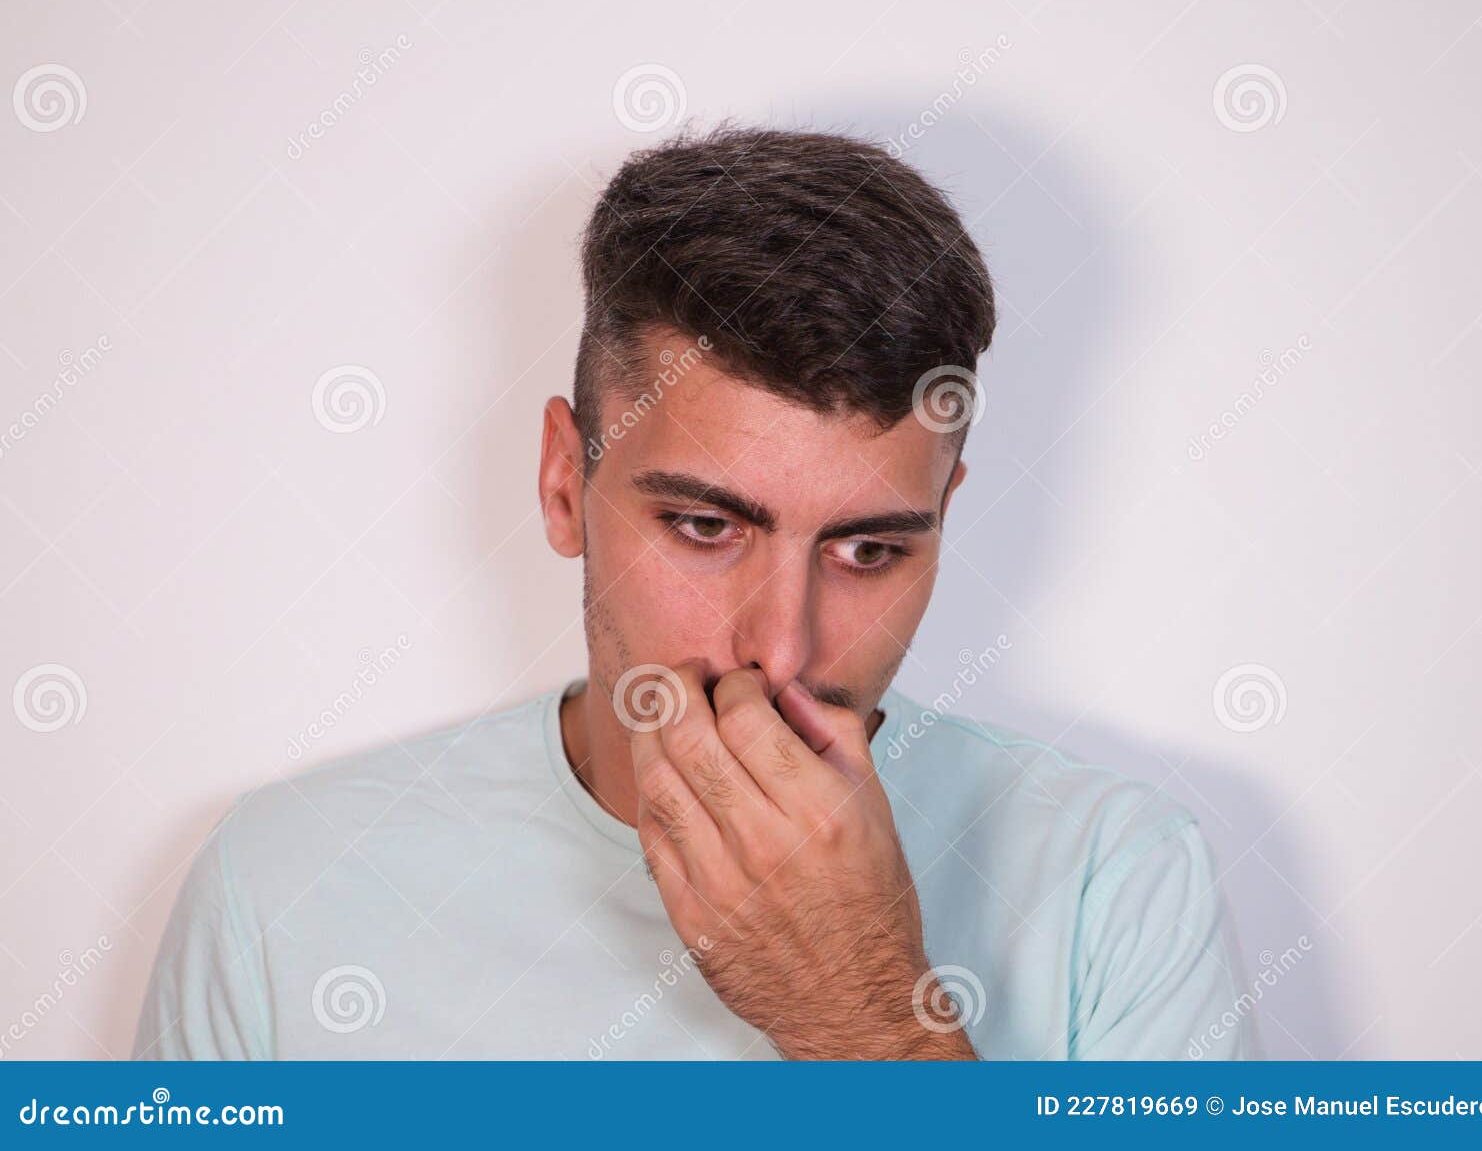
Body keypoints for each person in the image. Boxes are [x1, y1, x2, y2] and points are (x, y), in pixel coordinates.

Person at [134, 125, 1257, 1060]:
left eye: (867, 548)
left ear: (945, 515)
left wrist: (869, 1021)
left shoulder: (1117, 878)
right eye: (706, 527)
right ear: (565, 485)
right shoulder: (284, 886)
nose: (781, 647)